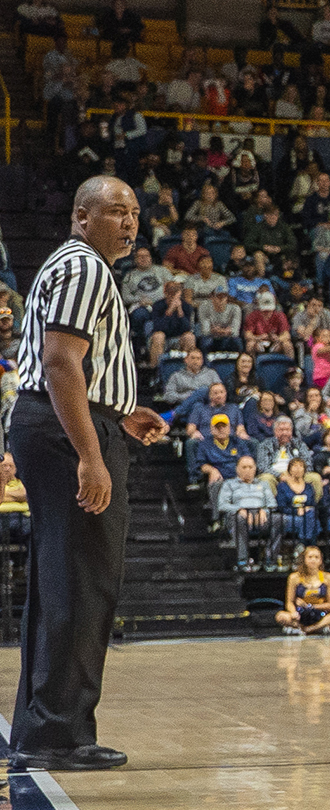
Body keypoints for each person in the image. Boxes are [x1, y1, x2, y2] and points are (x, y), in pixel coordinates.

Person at [7, 176, 167, 773]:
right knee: (80, 582)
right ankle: (58, 736)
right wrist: (90, 454)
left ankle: (43, 729)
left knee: (61, 583)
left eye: (134, 212)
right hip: (63, 429)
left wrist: (121, 415)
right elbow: (58, 362)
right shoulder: (84, 268)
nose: (129, 222)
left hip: (64, 423)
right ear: (80, 215)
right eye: (114, 211)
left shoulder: (76, 266)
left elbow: (75, 365)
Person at [275, 546, 330, 635]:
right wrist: (293, 612)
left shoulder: (328, 577)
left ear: (320, 560)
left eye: (316, 557)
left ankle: (311, 628)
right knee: (280, 616)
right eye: (310, 557)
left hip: (320, 613)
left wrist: (310, 606)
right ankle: (301, 626)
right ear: (304, 560)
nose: (313, 560)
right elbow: (289, 602)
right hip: (301, 613)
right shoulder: (294, 577)